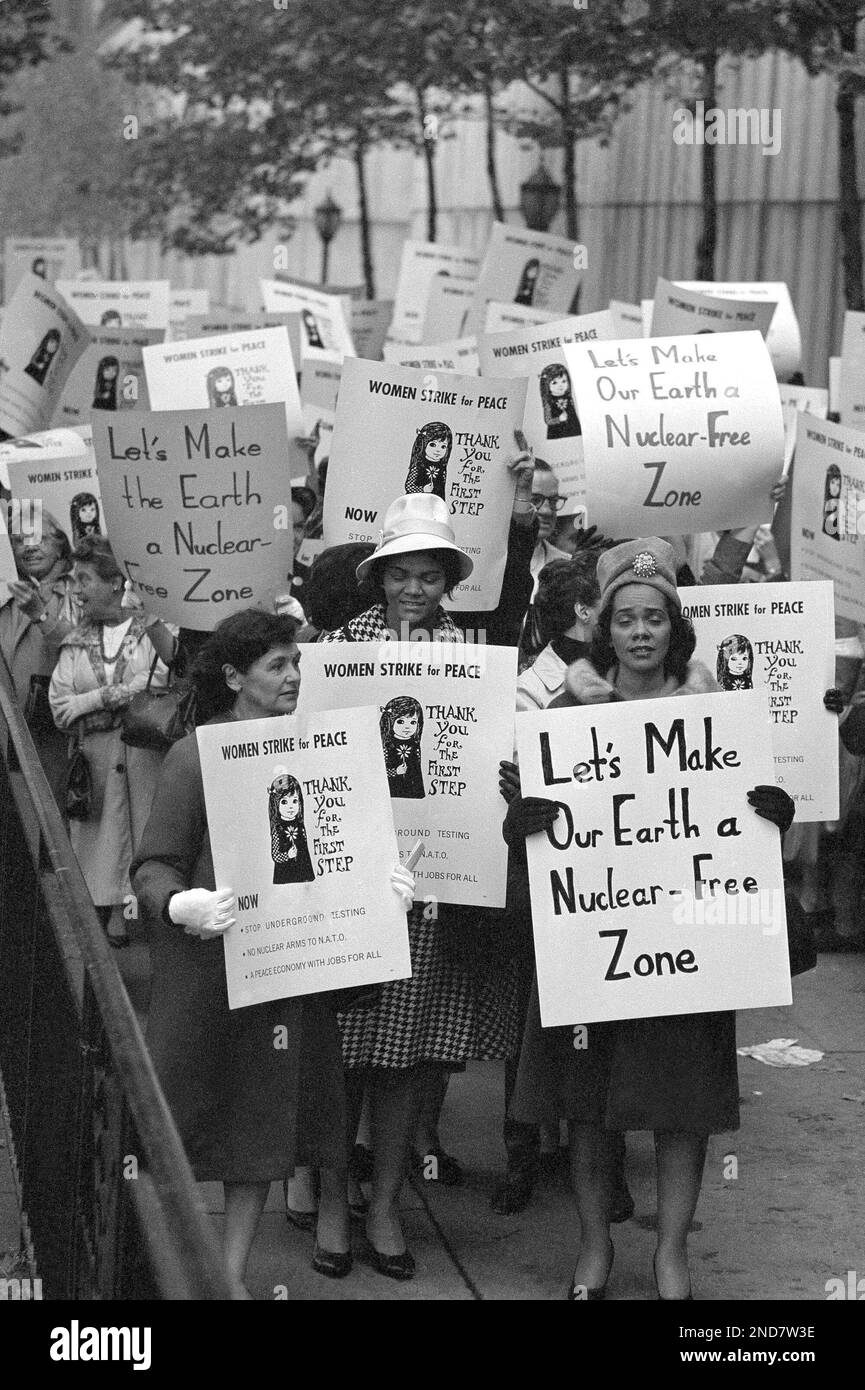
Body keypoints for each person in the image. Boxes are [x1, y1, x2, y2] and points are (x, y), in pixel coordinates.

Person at [507, 538, 795, 1300]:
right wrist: (522, 819)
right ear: (605, 630)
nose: (639, 632)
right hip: (594, 944)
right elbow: (534, 840)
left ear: (674, 628)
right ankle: (593, 1246)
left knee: (680, 1105)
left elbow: (750, 826)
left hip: (686, 945)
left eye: (653, 619)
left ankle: (671, 1251)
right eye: (625, 619)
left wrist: (771, 811)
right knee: (586, 1105)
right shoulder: (566, 715)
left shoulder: (716, 719)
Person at [130, 609, 414, 1291]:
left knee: (260, 1129)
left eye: (297, 663)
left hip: (288, 973)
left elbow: (342, 856)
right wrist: (178, 903)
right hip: (207, 972)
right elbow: (152, 866)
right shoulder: (193, 754)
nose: (293, 676)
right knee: (190, 1116)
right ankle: (181, 1268)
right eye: (276, 666)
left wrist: (382, 895)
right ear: (234, 677)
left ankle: (230, 1275)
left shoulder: (319, 750)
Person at [319, 486, 528, 1277]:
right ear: (378, 576)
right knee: (343, 1052)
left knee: (407, 1056)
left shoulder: (473, 665)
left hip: (432, 886)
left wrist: (503, 782)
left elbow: (490, 766)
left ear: (447, 582)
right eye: (401, 573)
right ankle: (334, 1202)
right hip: (354, 882)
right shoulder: (335, 650)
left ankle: (382, 1208)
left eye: (430, 576)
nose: (415, 588)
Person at [48, 536, 178, 947]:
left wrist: (95, 699)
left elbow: (160, 680)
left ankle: (142, 915)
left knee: (143, 834)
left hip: (144, 758)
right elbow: (59, 702)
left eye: (84, 579)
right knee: (98, 842)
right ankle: (108, 915)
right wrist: (112, 698)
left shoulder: (151, 629)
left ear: (113, 582)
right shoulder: (76, 640)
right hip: (96, 758)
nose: (78, 590)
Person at [0, 508, 81, 805]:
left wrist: (41, 615)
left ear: (60, 544)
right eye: (20, 540)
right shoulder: (6, 598)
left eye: (39, 538)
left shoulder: (78, 587)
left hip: (65, 730)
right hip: (17, 732)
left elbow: (86, 647)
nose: (30, 546)